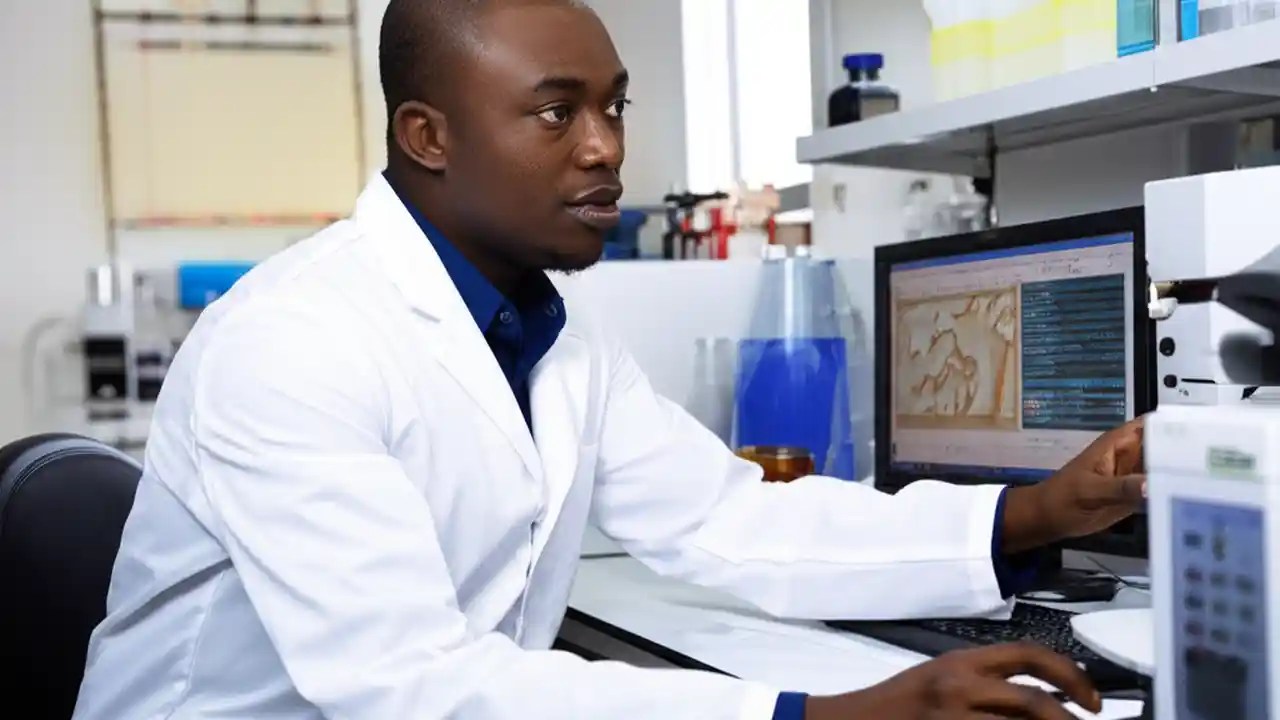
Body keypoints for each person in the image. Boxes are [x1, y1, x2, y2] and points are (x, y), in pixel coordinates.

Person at [72, 1, 1146, 718]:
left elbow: (722, 518)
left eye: (612, 105)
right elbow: (404, 685)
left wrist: (1035, 513)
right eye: (555, 111)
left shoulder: (553, 329)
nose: (605, 146)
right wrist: (815, 711)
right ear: (427, 135)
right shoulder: (293, 341)